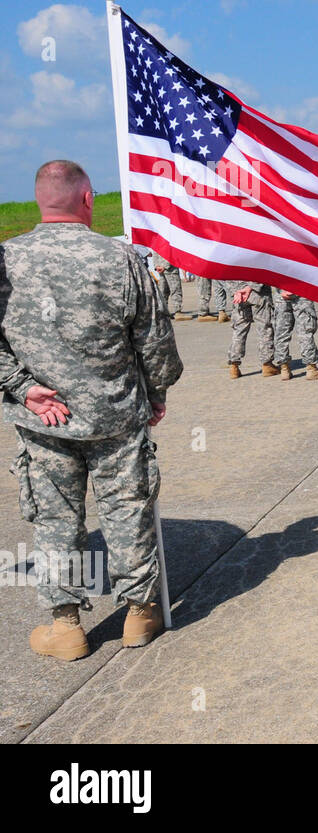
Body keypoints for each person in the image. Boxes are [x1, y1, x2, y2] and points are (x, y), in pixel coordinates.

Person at [0, 160, 183, 660]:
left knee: (56, 519)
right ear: (88, 200)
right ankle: (140, 613)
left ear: (39, 200)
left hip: (43, 420)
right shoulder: (121, 259)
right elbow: (155, 339)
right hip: (117, 415)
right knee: (127, 508)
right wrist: (157, 393)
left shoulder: (6, 259)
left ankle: (67, 627)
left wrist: (21, 386)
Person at [271, 290, 318, 380]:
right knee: (305, 331)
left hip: (281, 294)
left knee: (281, 332)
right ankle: (311, 369)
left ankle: (284, 369)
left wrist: (281, 289)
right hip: (301, 291)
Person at [227, 280, 276, 378]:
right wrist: (251, 287)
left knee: (239, 329)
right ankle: (267, 365)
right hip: (258, 292)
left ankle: (234, 365)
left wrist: (234, 291)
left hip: (238, 291)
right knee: (265, 328)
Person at [152, 250, 188, 320]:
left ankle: (163, 312)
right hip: (170, 269)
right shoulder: (170, 239)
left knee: (163, 291)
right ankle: (178, 312)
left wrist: (157, 266)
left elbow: (155, 253)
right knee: (175, 290)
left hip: (160, 268)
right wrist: (165, 266)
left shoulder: (157, 239)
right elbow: (172, 252)